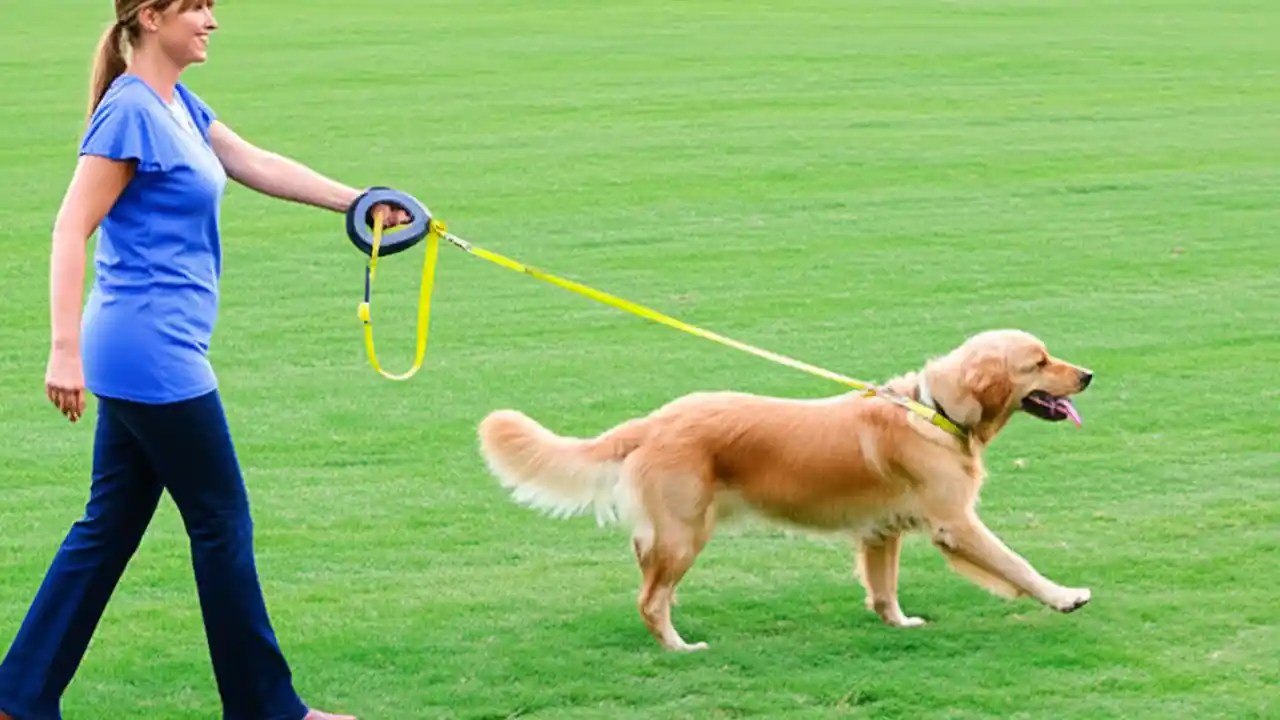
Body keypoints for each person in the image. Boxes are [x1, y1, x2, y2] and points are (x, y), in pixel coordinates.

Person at [0, 2, 413, 718]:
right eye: (197, 7)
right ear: (153, 16)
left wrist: (363, 200)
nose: (212, 21)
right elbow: (70, 228)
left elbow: (252, 161)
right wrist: (61, 351)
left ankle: (18, 696)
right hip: (151, 353)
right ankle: (266, 708)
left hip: (141, 351)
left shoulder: (174, 103)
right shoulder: (128, 112)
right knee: (221, 522)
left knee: (108, 526)